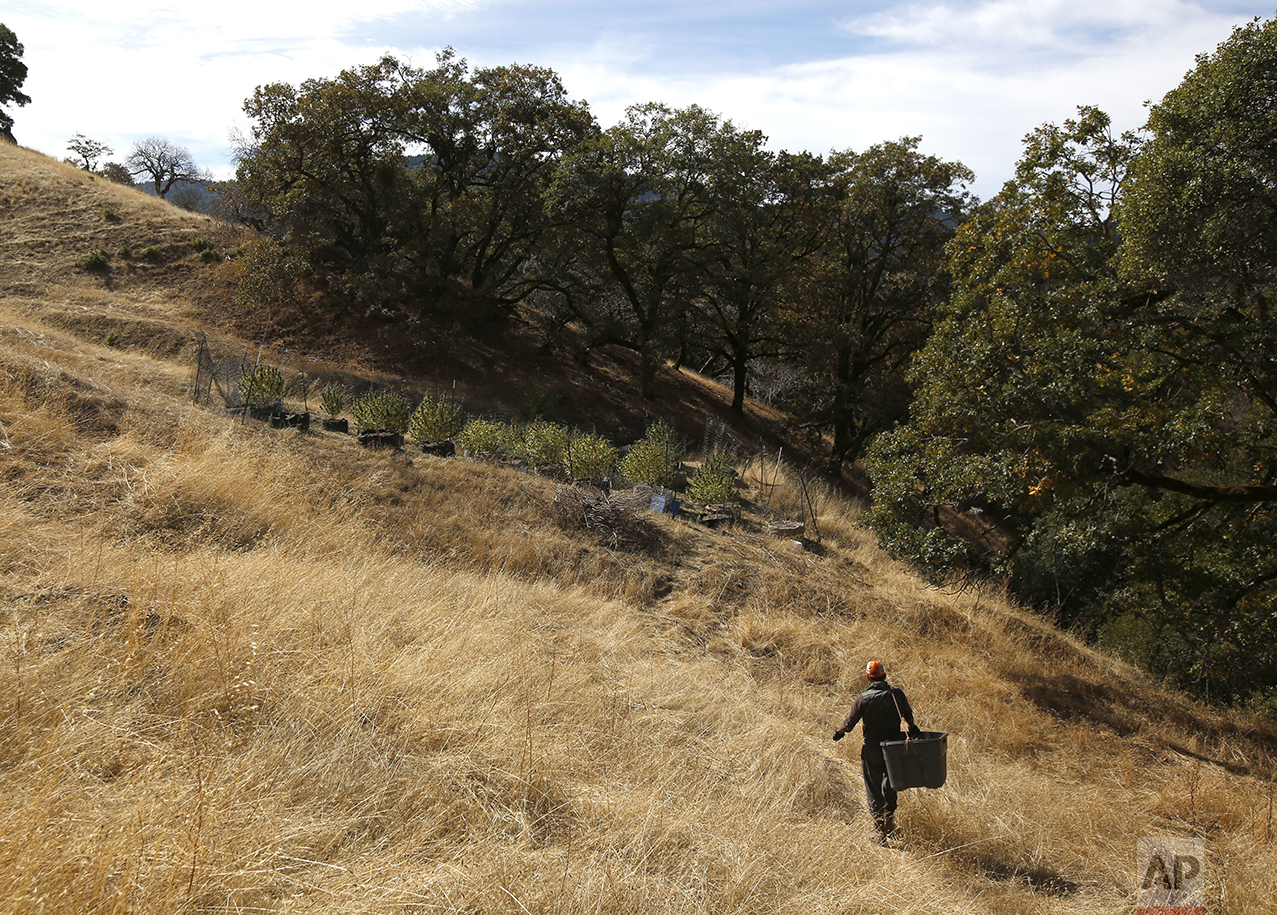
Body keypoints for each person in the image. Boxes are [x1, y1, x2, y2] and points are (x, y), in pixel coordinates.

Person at [833, 660, 921, 843]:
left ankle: (880, 828)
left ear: (868, 678)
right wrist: (912, 728)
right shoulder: (896, 694)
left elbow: (849, 723)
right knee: (890, 783)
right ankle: (889, 819)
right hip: (894, 748)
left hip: (872, 749)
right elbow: (907, 714)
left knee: (873, 787)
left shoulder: (863, 699)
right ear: (884, 676)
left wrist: (839, 733)